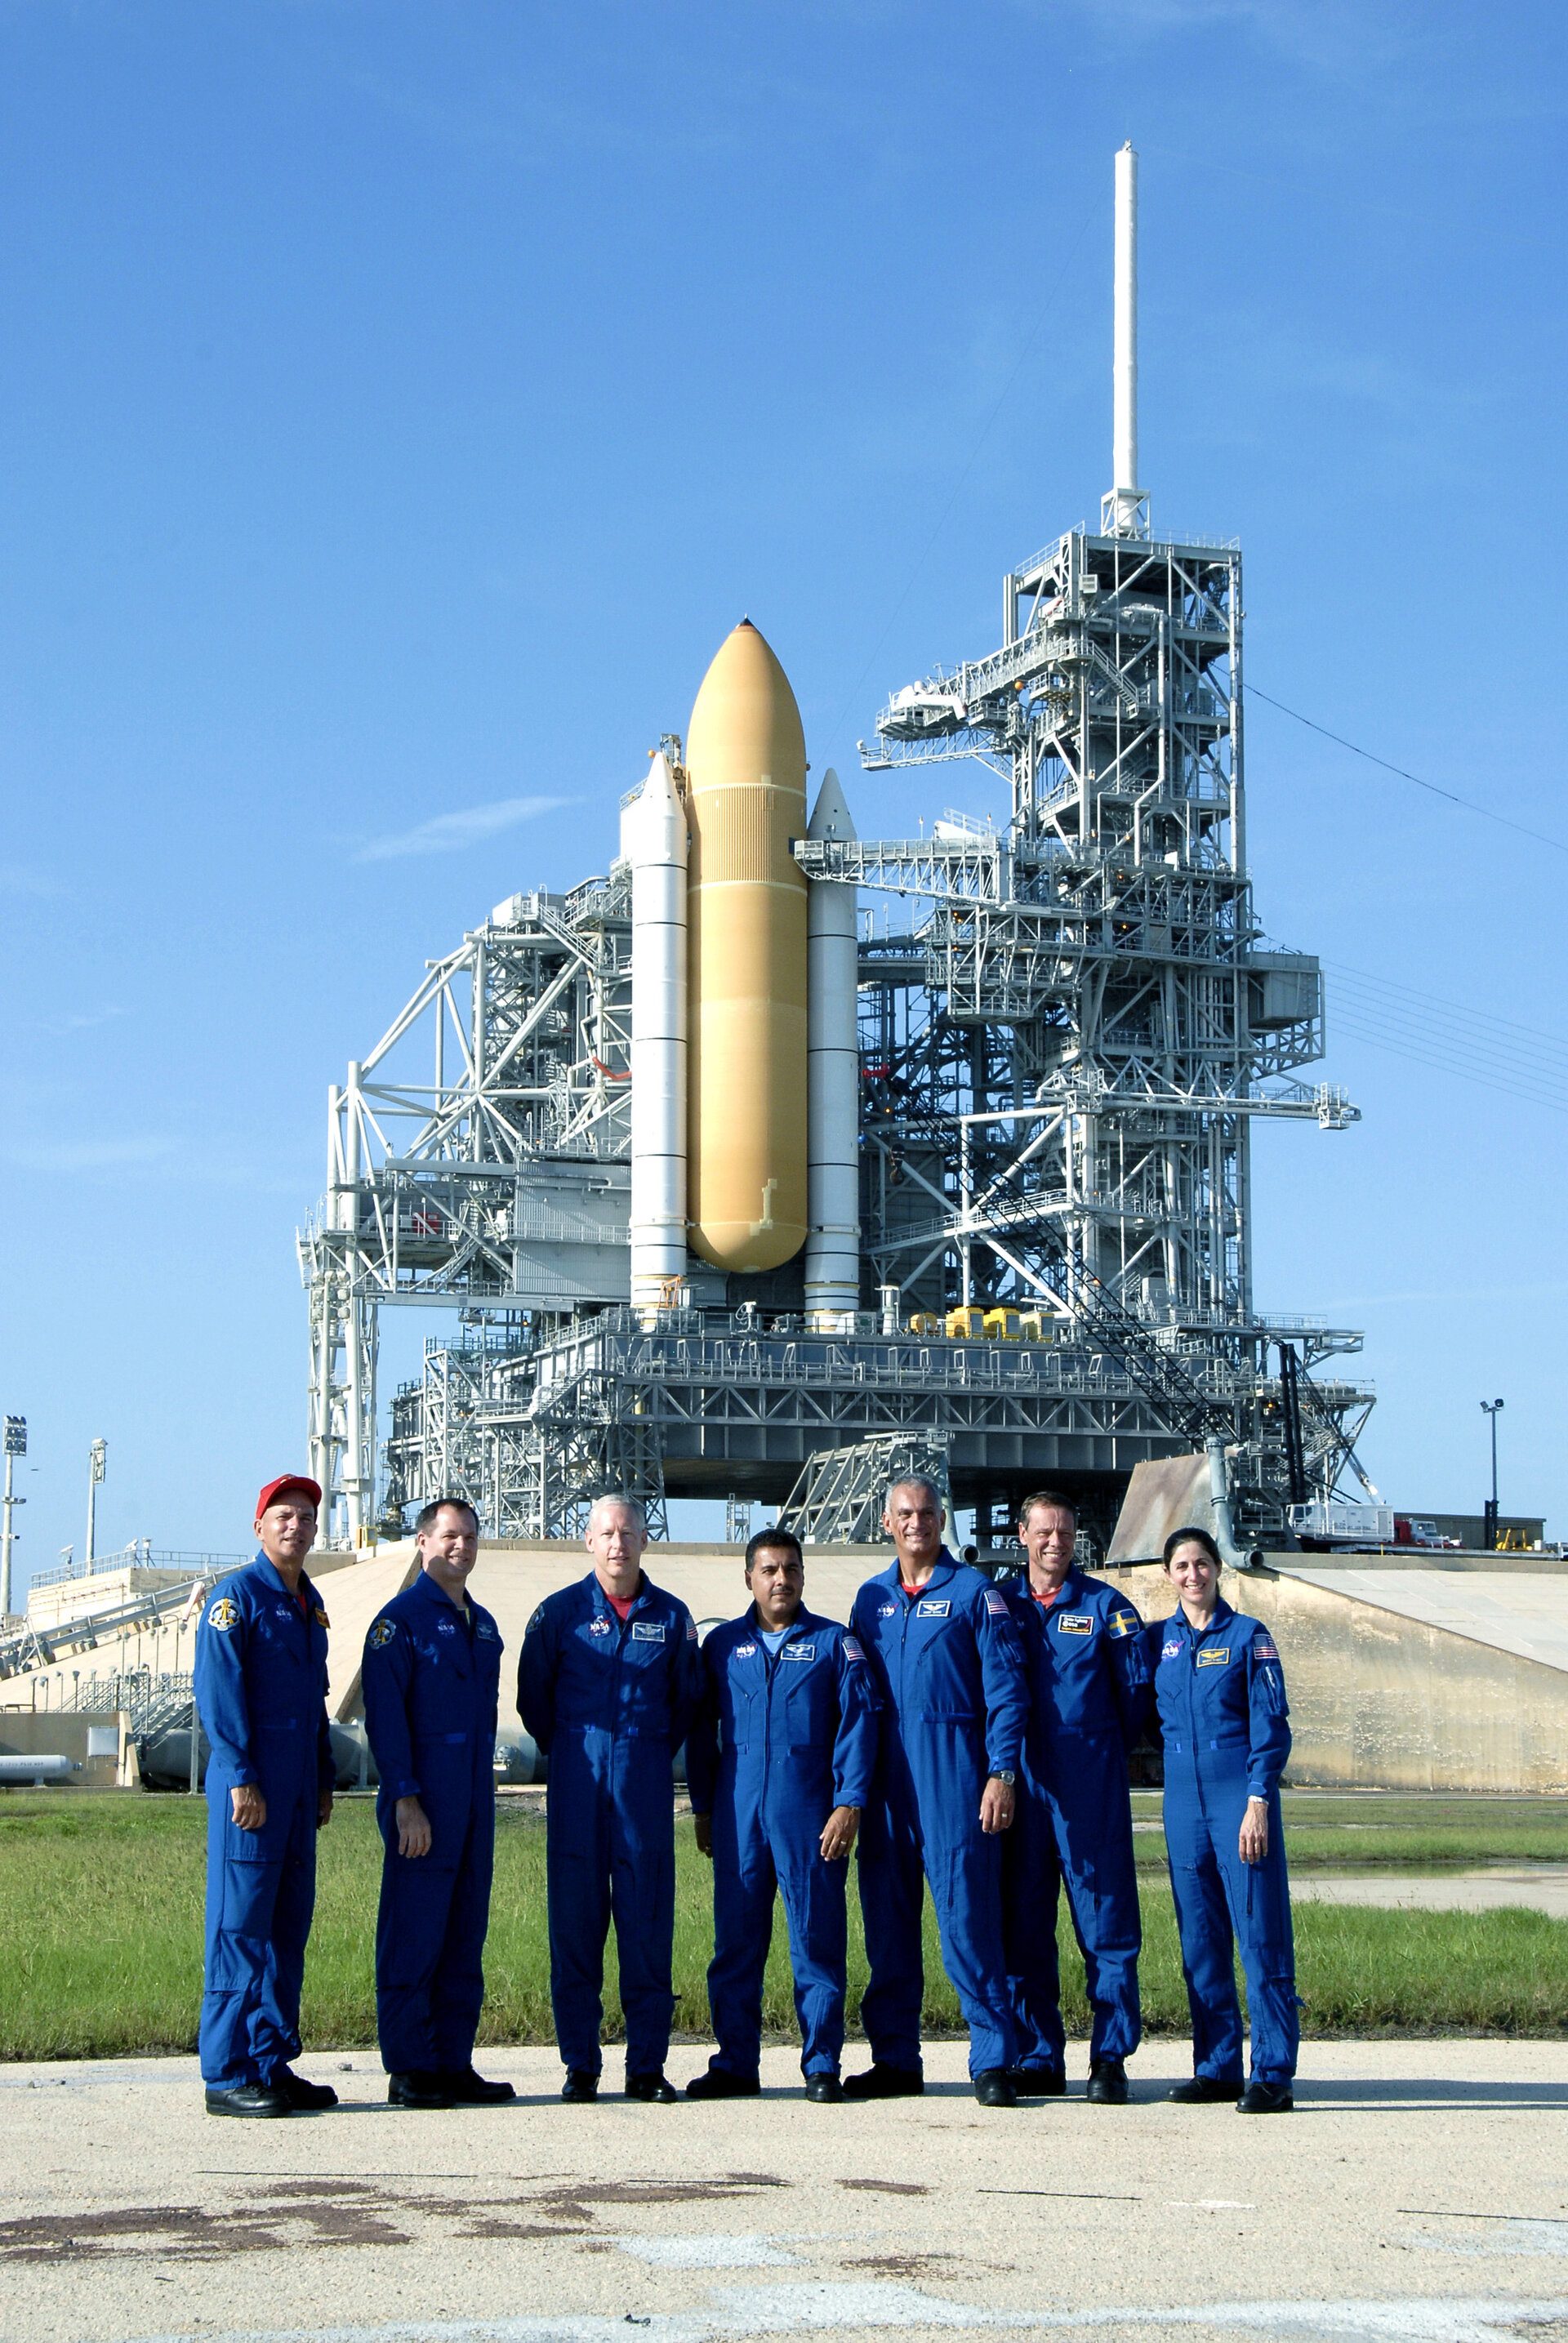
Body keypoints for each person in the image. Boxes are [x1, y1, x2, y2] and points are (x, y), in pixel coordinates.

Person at [848, 1475, 1029, 2107]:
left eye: (926, 1511)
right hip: (887, 1784)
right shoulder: (870, 1599)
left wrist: (1001, 1772)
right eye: (905, 1513)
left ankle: (993, 2058)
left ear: (942, 1517)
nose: (916, 1521)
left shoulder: (975, 1592)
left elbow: (1007, 1691)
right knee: (888, 1927)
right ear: (887, 1521)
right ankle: (896, 2058)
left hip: (954, 1774)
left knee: (968, 1920)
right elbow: (853, 1700)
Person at [518, 1494, 703, 2104]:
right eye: (606, 1532)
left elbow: (686, 1703)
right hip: (576, 1788)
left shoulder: (672, 1618)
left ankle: (646, 2065)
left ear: (645, 1540)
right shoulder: (558, 1615)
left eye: (628, 1531)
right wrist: (578, 1746)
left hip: (644, 1792)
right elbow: (534, 1700)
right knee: (574, 1926)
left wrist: (641, 1749)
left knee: (648, 1924)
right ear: (589, 1543)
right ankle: (581, 2064)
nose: (617, 1542)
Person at [686, 1525, 880, 2103]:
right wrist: (702, 1806)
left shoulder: (833, 1644)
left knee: (817, 1937)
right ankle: (735, 2063)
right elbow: (702, 1734)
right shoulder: (721, 1647)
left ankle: (821, 2062)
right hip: (738, 1809)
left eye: (790, 1568)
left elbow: (859, 1726)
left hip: (810, 1810)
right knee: (736, 1941)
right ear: (749, 1577)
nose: (781, 1579)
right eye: (769, 1569)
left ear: (802, 1575)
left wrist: (850, 1803)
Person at [361, 1496, 513, 2110]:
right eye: (450, 1535)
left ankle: (453, 2060)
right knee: (414, 1934)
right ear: (423, 1542)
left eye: (471, 1536)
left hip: (474, 1802)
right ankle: (408, 2066)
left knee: (463, 1935)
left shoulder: (485, 1625)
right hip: (423, 1802)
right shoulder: (399, 1622)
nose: (462, 1546)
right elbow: (386, 1720)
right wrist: (405, 1799)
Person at [193, 1474, 337, 2118]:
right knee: (239, 1928)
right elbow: (219, 1697)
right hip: (249, 1793)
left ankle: (271, 2060)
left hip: (299, 1793)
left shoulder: (310, 1604)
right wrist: (242, 1775)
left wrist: (325, 1779)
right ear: (259, 1526)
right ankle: (226, 2071)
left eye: (306, 1517)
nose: (296, 1526)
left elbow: (316, 1706)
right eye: (284, 1515)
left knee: (285, 1931)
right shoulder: (235, 1599)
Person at [1000, 1490, 1150, 2104]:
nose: (1055, 1541)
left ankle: (1110, 2056)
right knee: (1024, 1926)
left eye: (1064, 1531)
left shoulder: (1106, 1606)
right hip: (1022, 1784)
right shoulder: (999, 1603)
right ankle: (1039, 2053)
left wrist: (1099, 1751)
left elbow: (1137, 1696)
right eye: (1044, 1531)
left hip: (1090, 1786)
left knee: (1106, 1925)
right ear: (1023, 1535)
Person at [1150, 1525, 1297, 2114]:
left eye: (1202, 1563)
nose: (1193, 1574)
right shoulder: (1159, 1641)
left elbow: (1272, 1724)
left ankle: (1273, 2070)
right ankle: (1216, 2066)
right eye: (1182, 1565)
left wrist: (1259, 1799)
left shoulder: (1248, 1637)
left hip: (1239, 1795)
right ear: (1168, 1575)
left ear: (1218, 1569)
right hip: (1182, 1800)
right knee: (1201, 1939)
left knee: (1260, 1934)